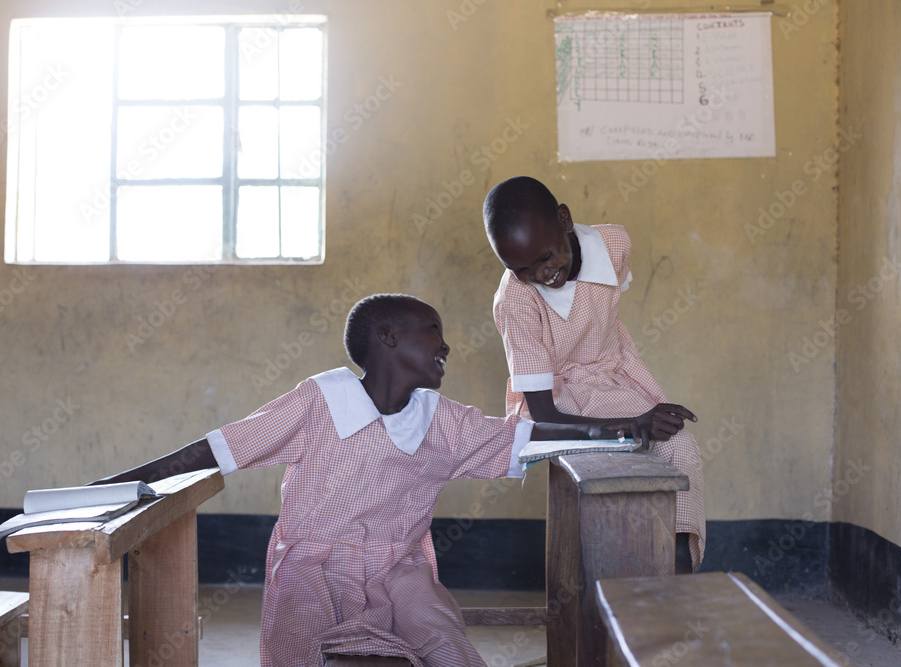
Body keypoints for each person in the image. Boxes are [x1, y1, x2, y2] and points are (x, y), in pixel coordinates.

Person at [93, 293, 650, 667]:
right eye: (433, 332)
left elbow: (527, 439)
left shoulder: (442, 421)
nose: (446, 345)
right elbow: (217, 449)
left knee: (447, 647)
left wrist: (624, 427)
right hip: (310, 569)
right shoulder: (318, 401)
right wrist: (115, 487)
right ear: (387, 337)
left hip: (399, 572)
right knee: (303, 653)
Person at [482, 176, 706, 573]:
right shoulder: (515, 299)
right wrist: (631, 424)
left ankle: (675, 583)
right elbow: (544, 413)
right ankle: (603, 589)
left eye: (547, 256)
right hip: (560, 402)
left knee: (680, 448)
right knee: (604, 468)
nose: (541, 273)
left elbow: (598, 310)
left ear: (565, 219)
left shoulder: (614, 244)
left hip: (615, 379)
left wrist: (639, 416)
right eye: (522, 268)